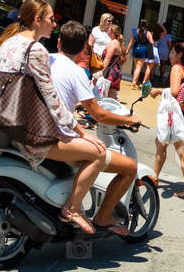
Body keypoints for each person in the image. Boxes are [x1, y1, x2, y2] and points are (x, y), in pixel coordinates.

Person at [0, 0, 110, 235]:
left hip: (9, 126)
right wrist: (83, 132)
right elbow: (52, 99)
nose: (54, 24)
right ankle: (72, 208)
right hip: (34, 135)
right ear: (37, 19)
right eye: (51, 19)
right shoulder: (37, 50)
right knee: (98, 153)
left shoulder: (7, 44)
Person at [47, 20, 142, 236]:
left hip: (39, 131)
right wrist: (128, 120)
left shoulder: (46, 60)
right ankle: (96, 215)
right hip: (56, 139)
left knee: (89, 141)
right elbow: (98, 114)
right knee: (128, 167)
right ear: (83, 49)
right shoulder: (77, 72)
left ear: (59, 41)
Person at [150, 41, 184, 199]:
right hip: (180, 116)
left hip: (175, 117)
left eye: (172, 52)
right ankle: (154, 178)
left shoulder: (176, 68)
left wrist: (157, 90)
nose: (170, 55)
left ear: (179, 55)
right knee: (161, 143)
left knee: (182, 152)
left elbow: (174, 91)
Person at [129, 21, 154, 90]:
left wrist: (127, 49)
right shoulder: (147, 33)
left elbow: (131, 42)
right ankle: (134, 82)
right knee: (139, 67)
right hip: (143, 49)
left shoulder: (135, 31)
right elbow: (152, 42)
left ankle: (135, 82)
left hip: (136, 49)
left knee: (135, 66)